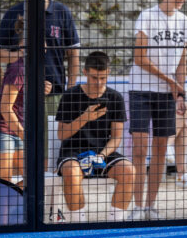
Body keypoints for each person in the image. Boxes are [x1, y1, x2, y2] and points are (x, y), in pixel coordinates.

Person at [0, 0, 80, 171]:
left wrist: (70, 90)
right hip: (20, 97)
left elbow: (74, 54)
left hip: (55, 94)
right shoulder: (14, 13)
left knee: (50, 154)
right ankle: (21, 191)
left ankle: (45, 192)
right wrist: (21, 54)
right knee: (22, 153)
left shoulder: (61, 12)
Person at [129, 0, 187, 220]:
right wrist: (170, 81)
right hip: (141, 90)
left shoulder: (184, 22)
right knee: (139, 149)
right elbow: (139, 58)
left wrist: (181, 94)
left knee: (160, 148)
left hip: (167, 94)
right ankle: (137, 206)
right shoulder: (147, 17)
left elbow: (182, 62)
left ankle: (150, 206)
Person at [55, 52, 135, 222]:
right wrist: (85, 118)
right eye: (94, 78)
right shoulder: (70, 95)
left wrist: (101, 156)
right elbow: (61, 134)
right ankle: (79, 224)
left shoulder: (115, 97)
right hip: (73, 151)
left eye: (103, 78)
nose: (99, 83)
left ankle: (115, 223)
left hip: (102, 152)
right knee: (71, 171)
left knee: (129, 170)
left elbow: (116, 137)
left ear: (108, 73)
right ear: (85, 72)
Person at [0, 16, 52, 185]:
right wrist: (24, 135)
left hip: (16, 130)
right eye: (39, 42)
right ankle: (5, 202)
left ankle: (16, 201)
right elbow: (5, 108)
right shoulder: (19, 68)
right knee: (3, 185)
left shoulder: (34, 68)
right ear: (23, 46)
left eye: (43, 42)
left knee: (34, 180)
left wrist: (41, 91)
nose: (44, 46)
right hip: (0, 130)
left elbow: (23, 100)